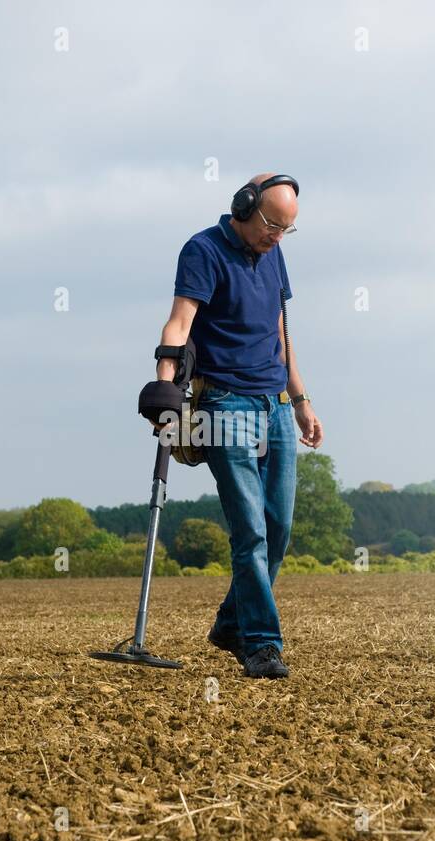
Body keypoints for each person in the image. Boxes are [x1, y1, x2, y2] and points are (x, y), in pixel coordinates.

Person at [153, 173, 323, 678]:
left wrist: (300, 399)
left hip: (273, 403)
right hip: (223, 404)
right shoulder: (203, 251)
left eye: (287, 230)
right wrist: (164, 389)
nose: (277, 236)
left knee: (279, 526)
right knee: (249, 529)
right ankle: (262, 644)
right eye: (272, 224)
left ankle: (230, 622)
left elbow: (281, 331)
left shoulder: (274, 254)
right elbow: (179, 324)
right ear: (245, 206)